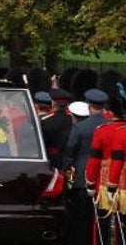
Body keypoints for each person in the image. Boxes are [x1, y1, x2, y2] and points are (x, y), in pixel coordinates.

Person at [63, 88, 109, 245]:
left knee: (82, 219)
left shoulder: (80, 127)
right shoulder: (109, 126)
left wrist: (65, 170)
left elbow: (70, 152)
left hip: (83, 178)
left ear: (89, 105)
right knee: (103, 219)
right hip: (105, 179)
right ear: (103, 106)